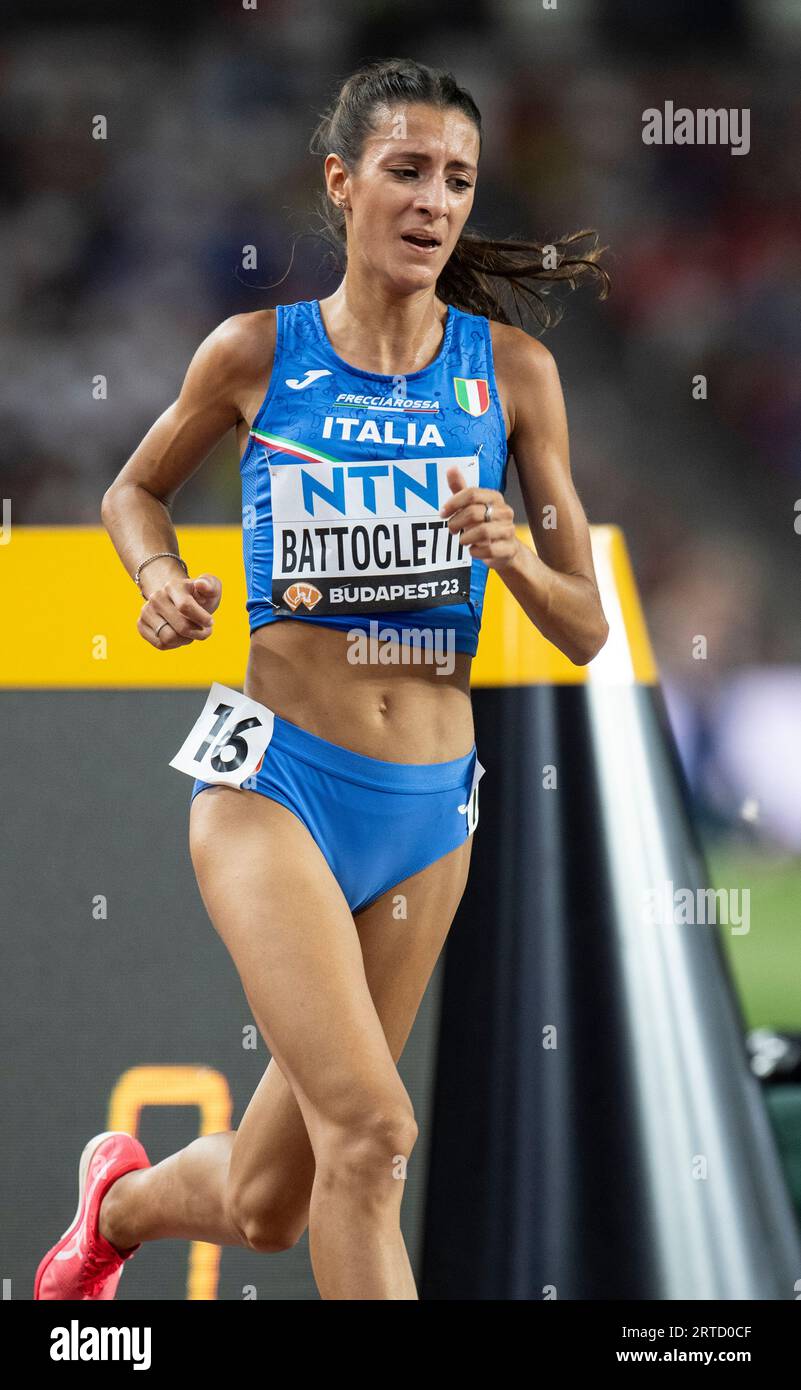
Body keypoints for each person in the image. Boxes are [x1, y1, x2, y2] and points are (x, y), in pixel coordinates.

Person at [34, 57, 609, 1302]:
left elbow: (587, 629)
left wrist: (513, 554)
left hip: (427, 815)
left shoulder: (513, 378)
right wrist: (155, 578)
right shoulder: (254, 353)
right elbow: (133, 487)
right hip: (274, 788)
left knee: (272, 1201)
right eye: (406, 172)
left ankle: (118, 1202)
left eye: (457, 179)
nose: (435, 201)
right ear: (342, 185)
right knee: (378, 1138)